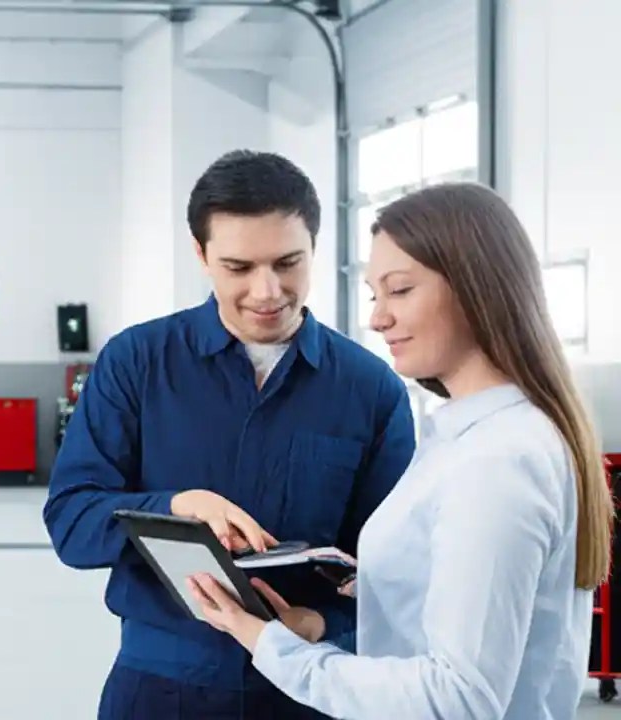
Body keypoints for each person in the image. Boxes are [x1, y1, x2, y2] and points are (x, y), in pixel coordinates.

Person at [186, 181, 615, 720]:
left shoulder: (497, 462)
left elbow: (456, 697)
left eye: (400, 290)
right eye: (374, 294)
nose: (377, 317)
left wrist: (269, 644)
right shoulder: (471, 437)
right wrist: (368, 583)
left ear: (476, 286)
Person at [43, 149, 418, 719]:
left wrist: (322, 624)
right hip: (159, 687)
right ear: (201, 254)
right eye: (239, 268)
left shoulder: (371, 390)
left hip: (310, 687)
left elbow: (395, 567)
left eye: (288, 263)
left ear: (314, 248)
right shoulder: (136, 363)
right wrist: (175, 507)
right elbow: (72, 521)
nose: (267, 292)